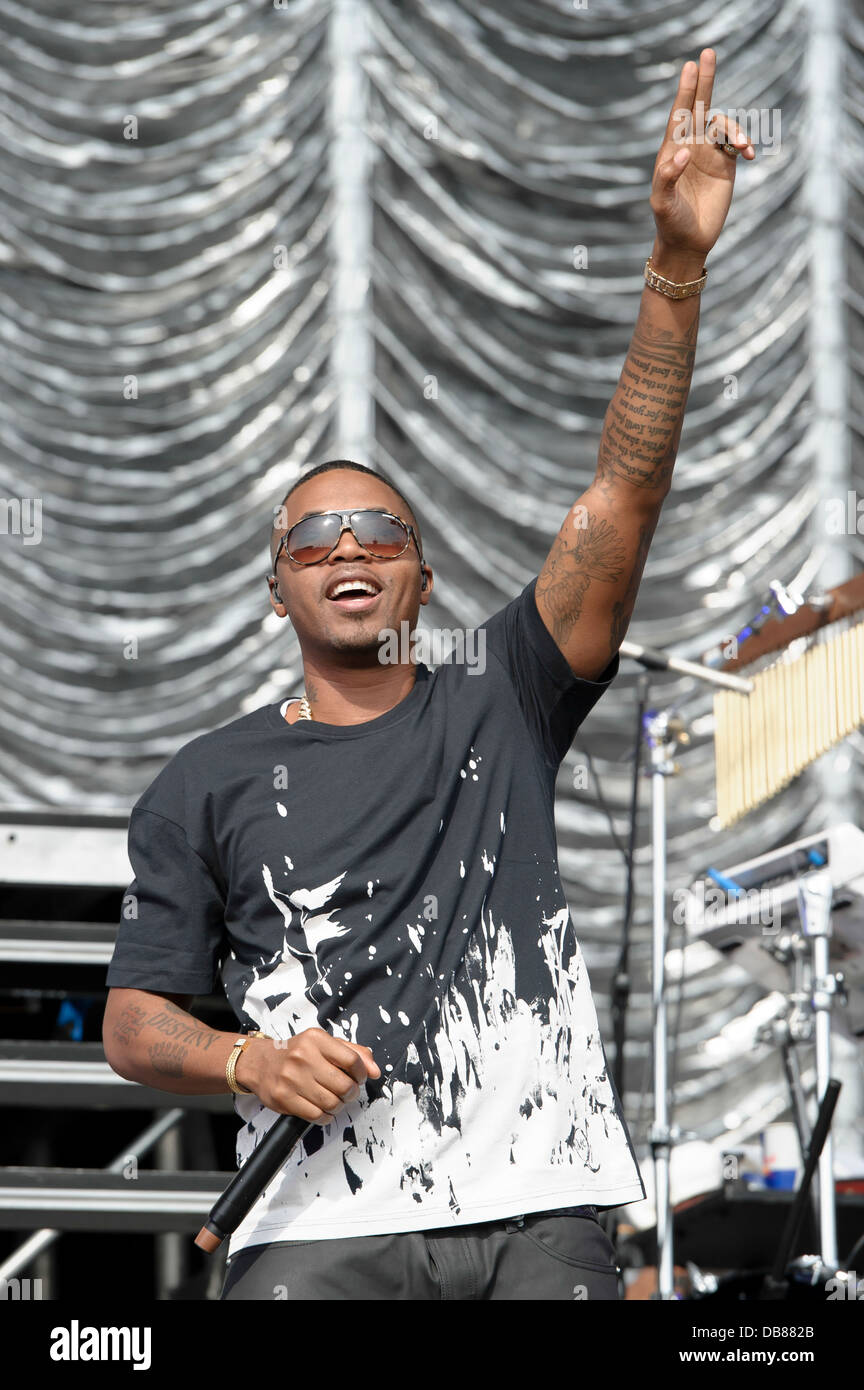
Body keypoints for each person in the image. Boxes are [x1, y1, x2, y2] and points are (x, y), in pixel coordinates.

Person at [103, 49, 754, 1301]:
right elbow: (136, 1023)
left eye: (380, 531)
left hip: (536, 1203)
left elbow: (624, 494)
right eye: (310, 537)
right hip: (316, 1222)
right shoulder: (204, 781)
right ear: (277, 588)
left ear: (426, 577)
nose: (347, 546)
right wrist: (251, 1063)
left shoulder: (501, 688)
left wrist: (675, 273)